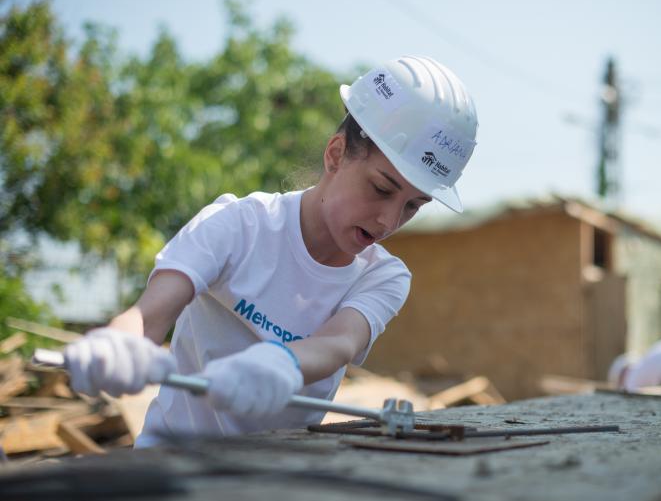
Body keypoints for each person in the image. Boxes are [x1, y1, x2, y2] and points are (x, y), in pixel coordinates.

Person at [62, 56, 479, 447]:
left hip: (275, 476)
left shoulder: (383, 276)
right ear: (336, 154)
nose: (389, 221)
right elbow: (149, 315)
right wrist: (116, 344)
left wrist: (282, 362)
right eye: (381, 189)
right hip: (168, 464)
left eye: (412, 206)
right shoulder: (236, 226)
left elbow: (340, 342)